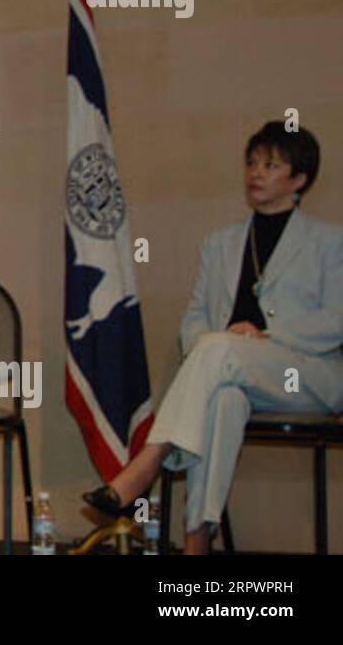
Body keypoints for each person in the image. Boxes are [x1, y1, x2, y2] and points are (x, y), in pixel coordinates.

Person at [83, 123, 343, 553]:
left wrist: (266, 334)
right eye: (252, 163)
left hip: (307, 376)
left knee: (219, 348)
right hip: (236, 375)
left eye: (271, 165)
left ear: (299, 180)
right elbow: (194, 322)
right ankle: (197, 537)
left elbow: (337, 319)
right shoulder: (219, 244)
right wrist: (219, 341)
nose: (256, 173)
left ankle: (147, 461)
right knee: (222, 397)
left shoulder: (331, 243)